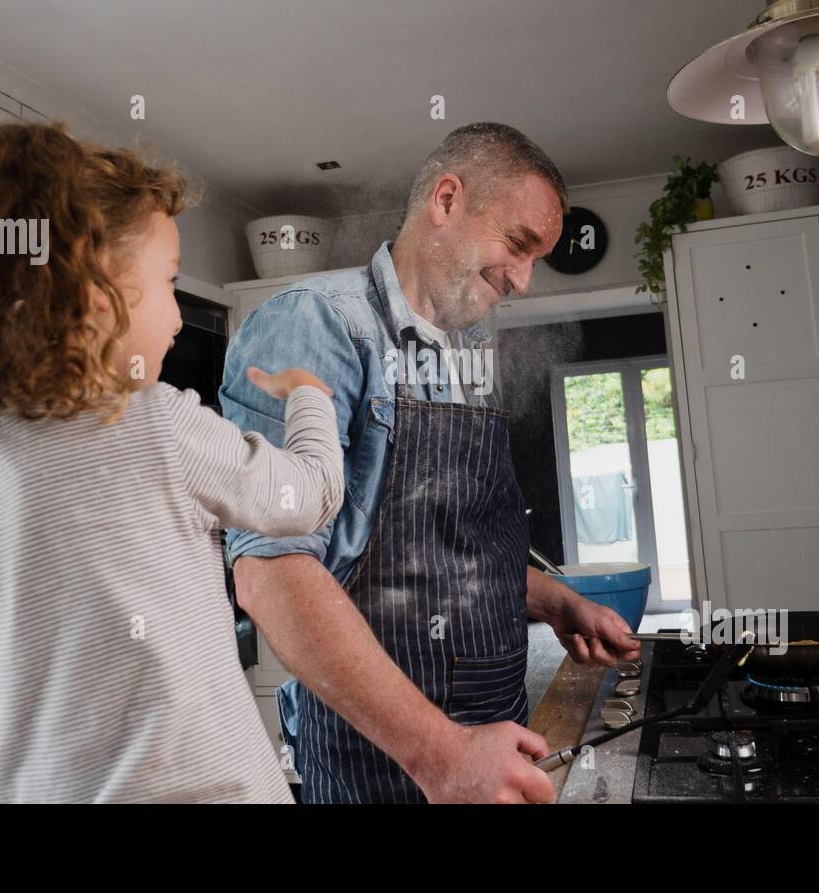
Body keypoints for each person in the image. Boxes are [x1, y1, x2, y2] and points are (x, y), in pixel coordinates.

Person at [0, 122, 344, 802]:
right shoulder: (154, 422)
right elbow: (310, 494)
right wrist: (310, 395)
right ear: (96, 294)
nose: (181, 317)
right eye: (168, 281)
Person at [222, 122, 641, 803]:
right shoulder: (316, 326)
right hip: (385, 760)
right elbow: (273, 574)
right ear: (446, 199)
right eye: (517, 245)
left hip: (491, 733)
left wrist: (551, 599)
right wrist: (440, 752)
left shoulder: (469, 351)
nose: (525, 280)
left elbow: (442, 555)